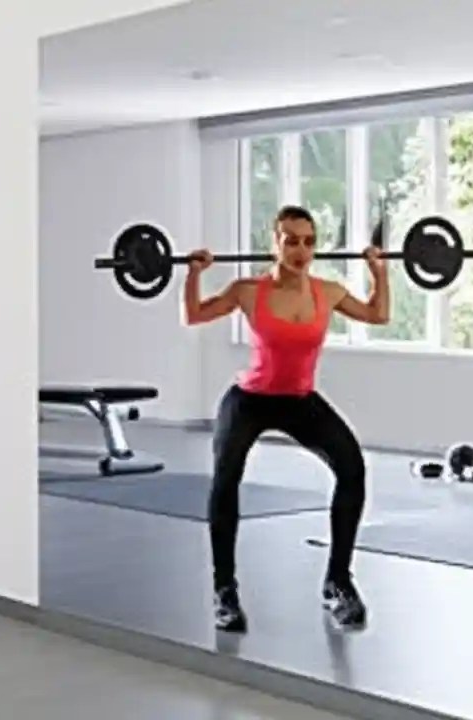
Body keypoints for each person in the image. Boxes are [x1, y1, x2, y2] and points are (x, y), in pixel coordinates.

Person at [181, 205, 389, 632]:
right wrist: (194, 273)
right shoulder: (248, 291)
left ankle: (337, 582)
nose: (300, 249)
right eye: (290, 240)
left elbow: (377, 315)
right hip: (249, 400)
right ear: (273, 242)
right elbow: (195, 315)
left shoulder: (327, 292)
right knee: (225, 480)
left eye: (309, 241)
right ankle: (225, 591)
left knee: (352, 469)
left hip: (299, 400)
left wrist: (379, 273)